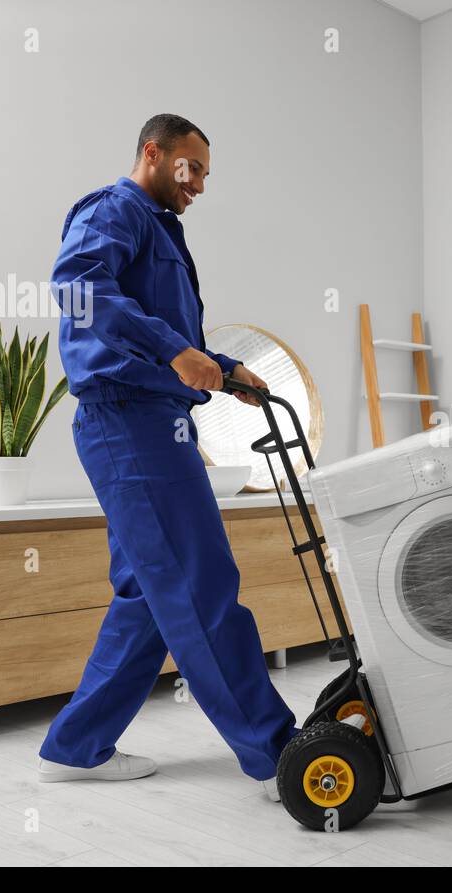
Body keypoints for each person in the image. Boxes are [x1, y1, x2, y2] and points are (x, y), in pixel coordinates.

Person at [37, 113, 300, 799]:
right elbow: (78, 289)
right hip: (130, 423)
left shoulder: (160, 230)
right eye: (192, 168)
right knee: (198, 580)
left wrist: (225, 369)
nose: (200, 185)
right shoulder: (114, 209)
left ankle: (76, 744)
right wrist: (176, 350)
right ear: (152, 153)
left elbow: (167, 336)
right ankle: (278, 754)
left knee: (149, 594)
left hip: (152, 419)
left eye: (207, 174)